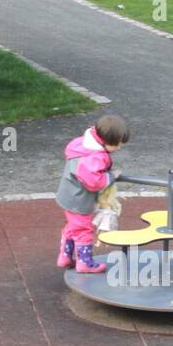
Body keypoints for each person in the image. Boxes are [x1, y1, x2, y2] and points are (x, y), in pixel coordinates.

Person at [55, 115, 130, 273]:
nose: (119, 148)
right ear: (105, 141)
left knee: (73, 226)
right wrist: (110, 176)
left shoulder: (82, 144)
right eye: (117, 145)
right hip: (79, 200)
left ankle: (65, 256)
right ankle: (85, 263)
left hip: (68, 194)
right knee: (84, 229)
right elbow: (93, 182)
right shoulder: (95, 157)